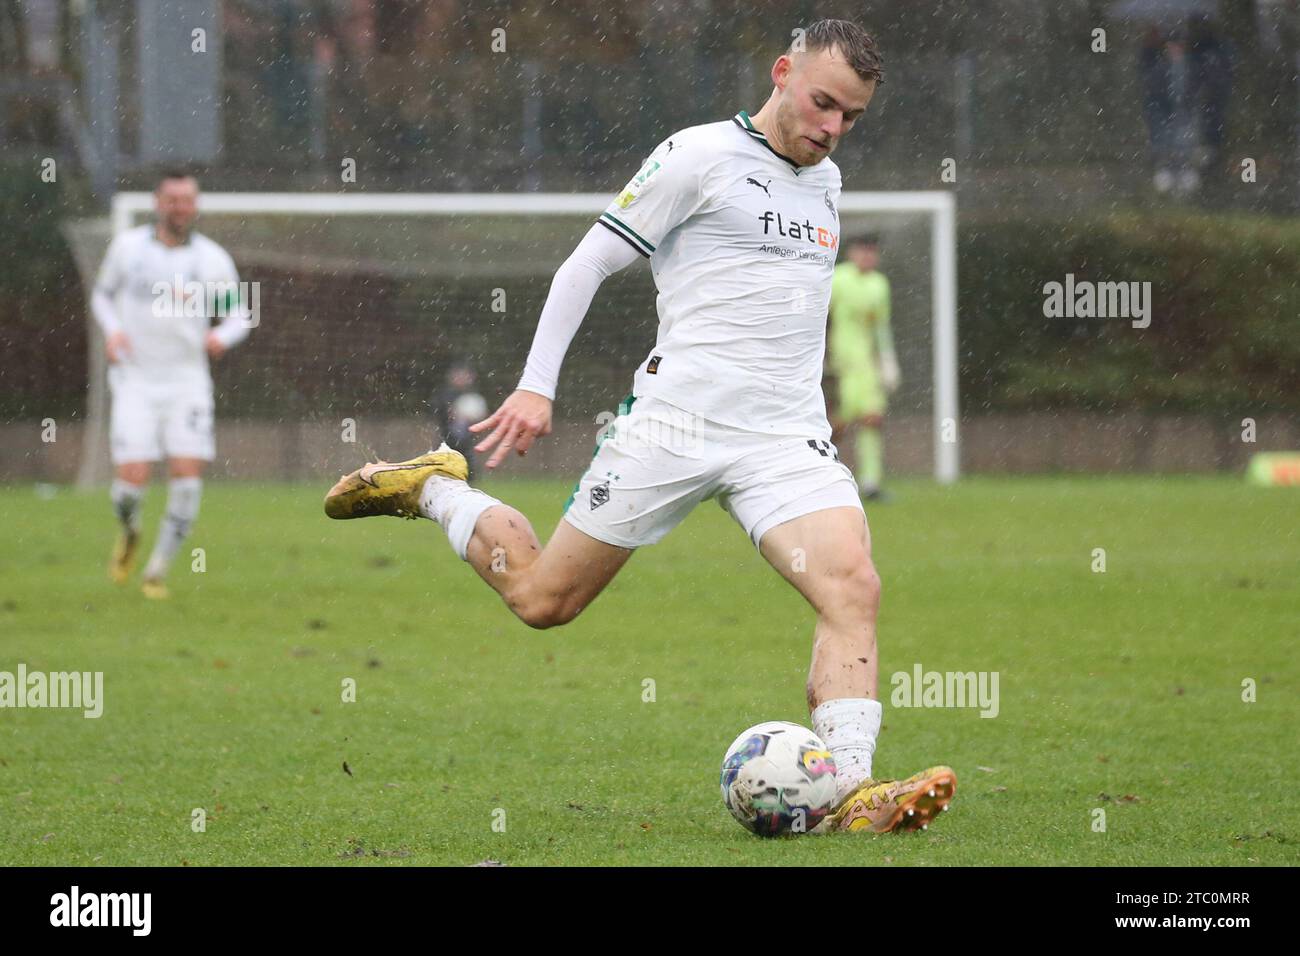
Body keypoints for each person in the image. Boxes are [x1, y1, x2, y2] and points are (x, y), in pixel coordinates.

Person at [324, 19, 954, 833]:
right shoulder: (696, 156)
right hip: (675, 429)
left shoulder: (825, 185)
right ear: (783, 71)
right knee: (544, 600)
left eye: (852, 117)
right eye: (824, 103)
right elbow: (586, 263)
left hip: (783, 441)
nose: (832, 128)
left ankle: (853, 795)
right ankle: (439, 491)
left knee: (852, 586)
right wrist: (535, 387)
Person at [93, 170, 252, 599]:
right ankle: (130, 530)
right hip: (135, 379)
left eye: (187, 200)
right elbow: (102, 296)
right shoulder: (129, 250)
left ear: (195, 206)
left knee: (185, 476)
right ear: (157, 203)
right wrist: (112, 331)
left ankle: (157, 571)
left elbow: (240, 315)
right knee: (131, 483)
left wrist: (222, 335)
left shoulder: (210, 260)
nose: (179, 207)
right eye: (172, 199)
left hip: (187, 382)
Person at [828, 234, 899, 500]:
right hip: (840, 364)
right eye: (863, 251)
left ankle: (870, 483)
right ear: (851, 253)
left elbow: (880, 327)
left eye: (872, 252)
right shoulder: (838, 278)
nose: (868, 257)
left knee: (872, 418)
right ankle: (822, 475)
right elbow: (822, 317)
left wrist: (888, 360)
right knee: (837, 425)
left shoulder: (879, 284)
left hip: (867, 365)